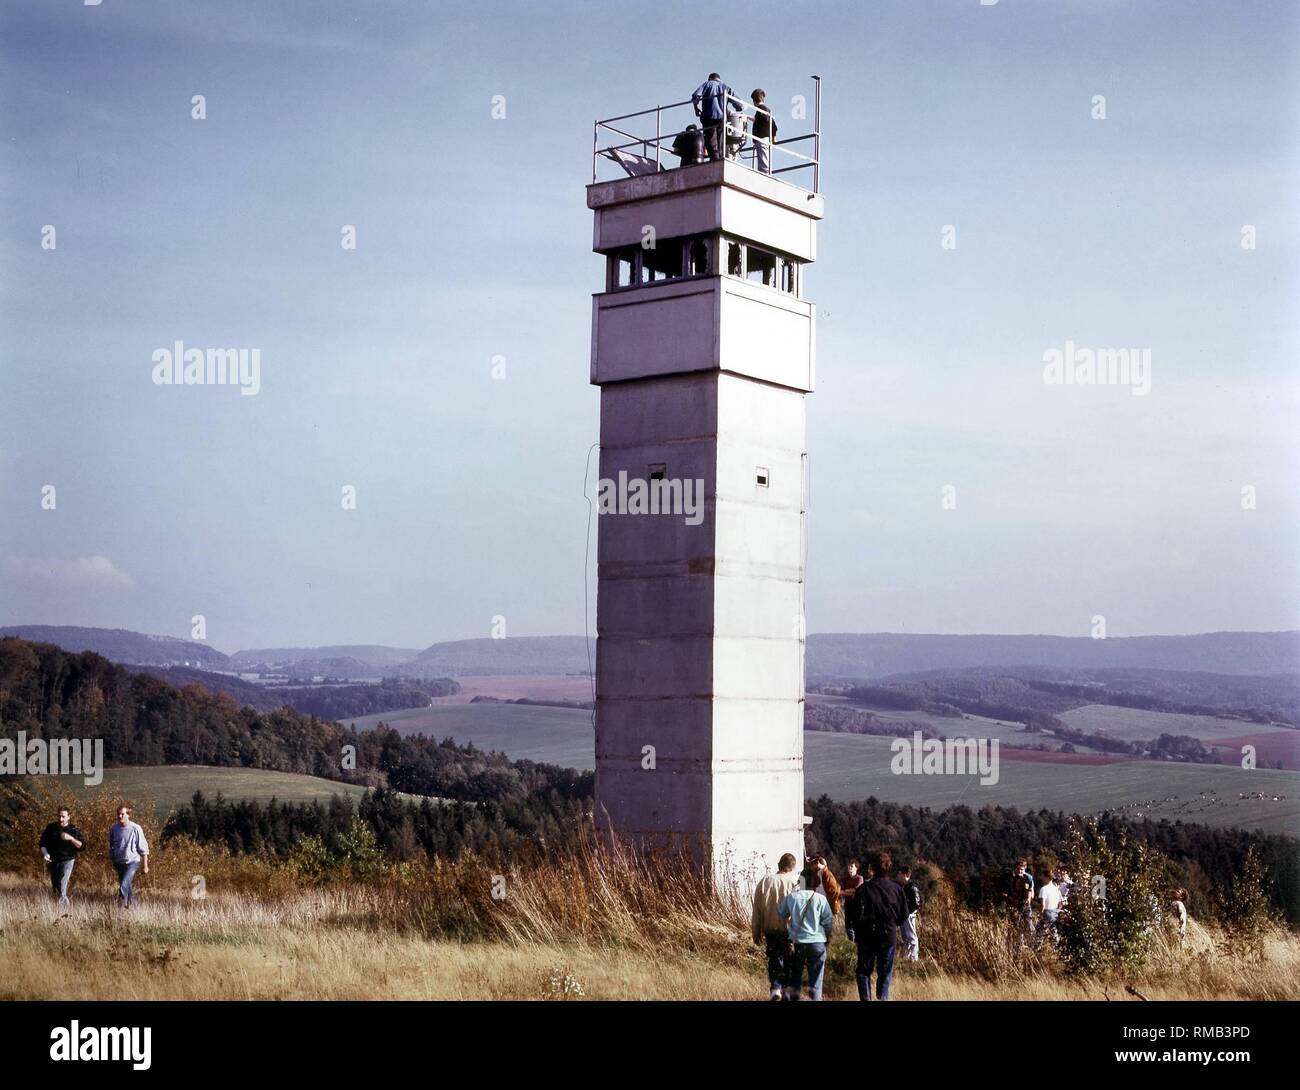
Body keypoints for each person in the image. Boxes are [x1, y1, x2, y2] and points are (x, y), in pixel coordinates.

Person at [847, 852, 909, 1000]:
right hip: (888, 934)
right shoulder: (897, 889)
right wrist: (894, 924)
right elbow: (904, 913)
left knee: (863, 972)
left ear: (872, 868)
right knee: (885, 973)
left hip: (867, 935)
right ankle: (883, 998)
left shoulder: (863, 889)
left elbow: (854, 914)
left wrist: (857, 930)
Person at [751, 853, 802, 1001]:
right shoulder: (794, 883)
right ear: (792, 867)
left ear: (779, 865)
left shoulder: (765, 881)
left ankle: (775, 987)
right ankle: (785, 993)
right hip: (788, 931)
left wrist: (756, 931)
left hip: (770, 930)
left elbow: (757, 909)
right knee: (788, 964)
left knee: (774, 960)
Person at [777, 875, 834, 1001]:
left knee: (794, 978)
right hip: (817, 942)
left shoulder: (792, 897)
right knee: (816, 980)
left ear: (801, 882)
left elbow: (781, 913)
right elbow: (829, 922)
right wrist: (827, 936)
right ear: (816, 884)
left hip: (797, 942)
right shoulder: (821, 899)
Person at [38, 807, 85, 908]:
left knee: (62, 886)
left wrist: (71, 838)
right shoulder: (51, 828)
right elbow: (42, 843)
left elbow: (82, 846)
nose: (61, 819)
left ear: (69, 817)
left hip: (68, 860)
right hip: (54, 861)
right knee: (56, 888)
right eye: (59, 816)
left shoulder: (73, 830)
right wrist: (45, 853)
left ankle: (64, 911)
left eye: (63, 817)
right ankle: (59, 910)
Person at [108, 805, 150, 908]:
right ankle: (133, 907)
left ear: (128, 815)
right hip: (119, 862)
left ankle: (120, 907)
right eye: (118, 814)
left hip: (132, 862)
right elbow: (111, 844)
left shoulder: (135, 828)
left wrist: (145, 865)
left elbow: (143, 848)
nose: (120, 816)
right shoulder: (114, 828)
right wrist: (112, 857)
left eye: (122, 814)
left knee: (123, 885)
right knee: (128, 886)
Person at [691, 72, 737, 162]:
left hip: (709, 117)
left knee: (711, 140)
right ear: (718, 79)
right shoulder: (726, 87)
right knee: (721, 140)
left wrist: (696, 108)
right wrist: (737, 108)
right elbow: (739, 104)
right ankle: (720, 158)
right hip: (721, 118)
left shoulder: (707, 84)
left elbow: (695, 95)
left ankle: (714, 159)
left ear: (710, 78)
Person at [749, 88, 778, 173]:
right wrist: (773, 137)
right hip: (765, 138)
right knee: (764, 160)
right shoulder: (767, 109)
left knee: (763, 164)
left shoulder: (761, 109)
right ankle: (765, 173)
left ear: (754, 100)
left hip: (761, 138)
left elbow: (766, 120)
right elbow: (773, 126)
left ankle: (764, 176)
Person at [898, 863, 922, 961]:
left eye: (899, 874)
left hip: (909, 915)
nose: (898, 876)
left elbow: (916, 903)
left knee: (911, 936)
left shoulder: (912, 887)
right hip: (904, 915)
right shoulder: (903, 886)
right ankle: (907, 956)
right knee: (905, 937)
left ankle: (914, 958)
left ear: (905, 875)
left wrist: (907, 912)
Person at [1007, 859, 1034, 932]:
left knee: (1029, 925)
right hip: (1015, 905)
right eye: (1018, 869)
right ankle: (1018, 942)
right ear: (1015, 868)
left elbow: (1030, 890)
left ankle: (1032, 941)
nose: (1020, 871)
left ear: (1024, 868)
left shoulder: (1027, 878)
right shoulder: (1011, 879)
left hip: (1025, 905)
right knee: (1016, 926)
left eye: (1021, 869)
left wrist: (1028, 899)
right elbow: (1007, 893)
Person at [1038, 871, 1063, 947]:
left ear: (1047, 878)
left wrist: (1040, 913)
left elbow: (1042, 904)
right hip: (1055, 913)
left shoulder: (1043, 889)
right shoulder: (1056, 889)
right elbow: (1060, 904)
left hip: (1047, 912)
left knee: (1040, 931)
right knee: (1053, 931)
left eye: (1043, 876)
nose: (1042, 878)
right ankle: (1056, 946)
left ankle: (1038, 947)